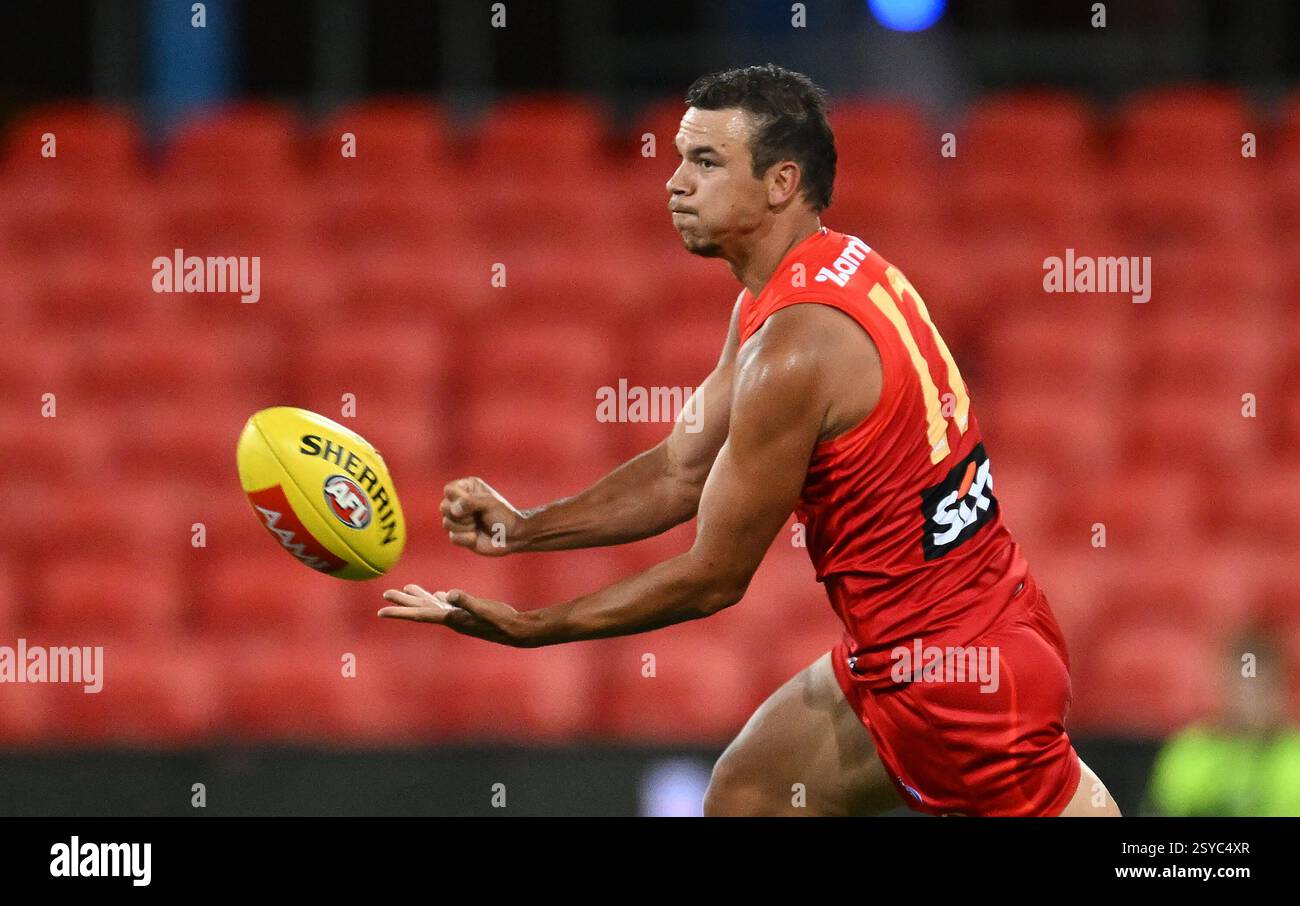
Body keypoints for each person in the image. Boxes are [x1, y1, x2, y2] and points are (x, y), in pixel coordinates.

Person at [379, 63, 1120, 817]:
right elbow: (679, 472)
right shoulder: (825, 276)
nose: (673, 183)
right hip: (959, 638)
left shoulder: (795, 351)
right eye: (678, 157)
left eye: (704, 162)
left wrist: (535, 628)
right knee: (751, 797)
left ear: (780, 183)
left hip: (957, 689)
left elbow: (713, 577)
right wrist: (524, 530)